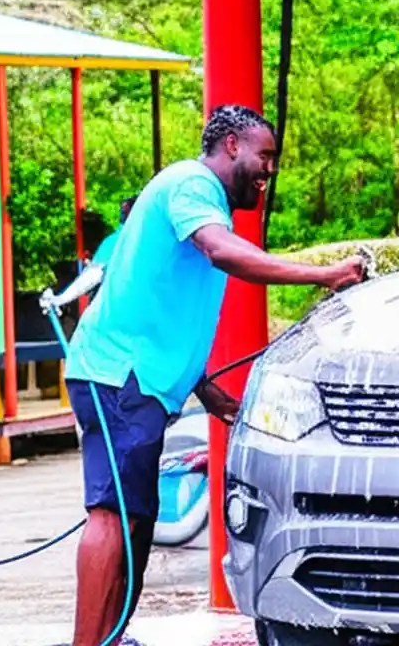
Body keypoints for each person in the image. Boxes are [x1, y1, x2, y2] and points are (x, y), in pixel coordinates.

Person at [46, 104, 363, 646]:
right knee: (111, 516)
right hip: (117, 376)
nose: (269, 170)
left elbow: (160, 302)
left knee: (137, 522)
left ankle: (112, 637)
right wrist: (325, 275)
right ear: (232, 146)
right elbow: (221, 252)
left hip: (141, 382)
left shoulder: (200, 197)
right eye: (264, 156)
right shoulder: (191, 183)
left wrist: (207, 389)